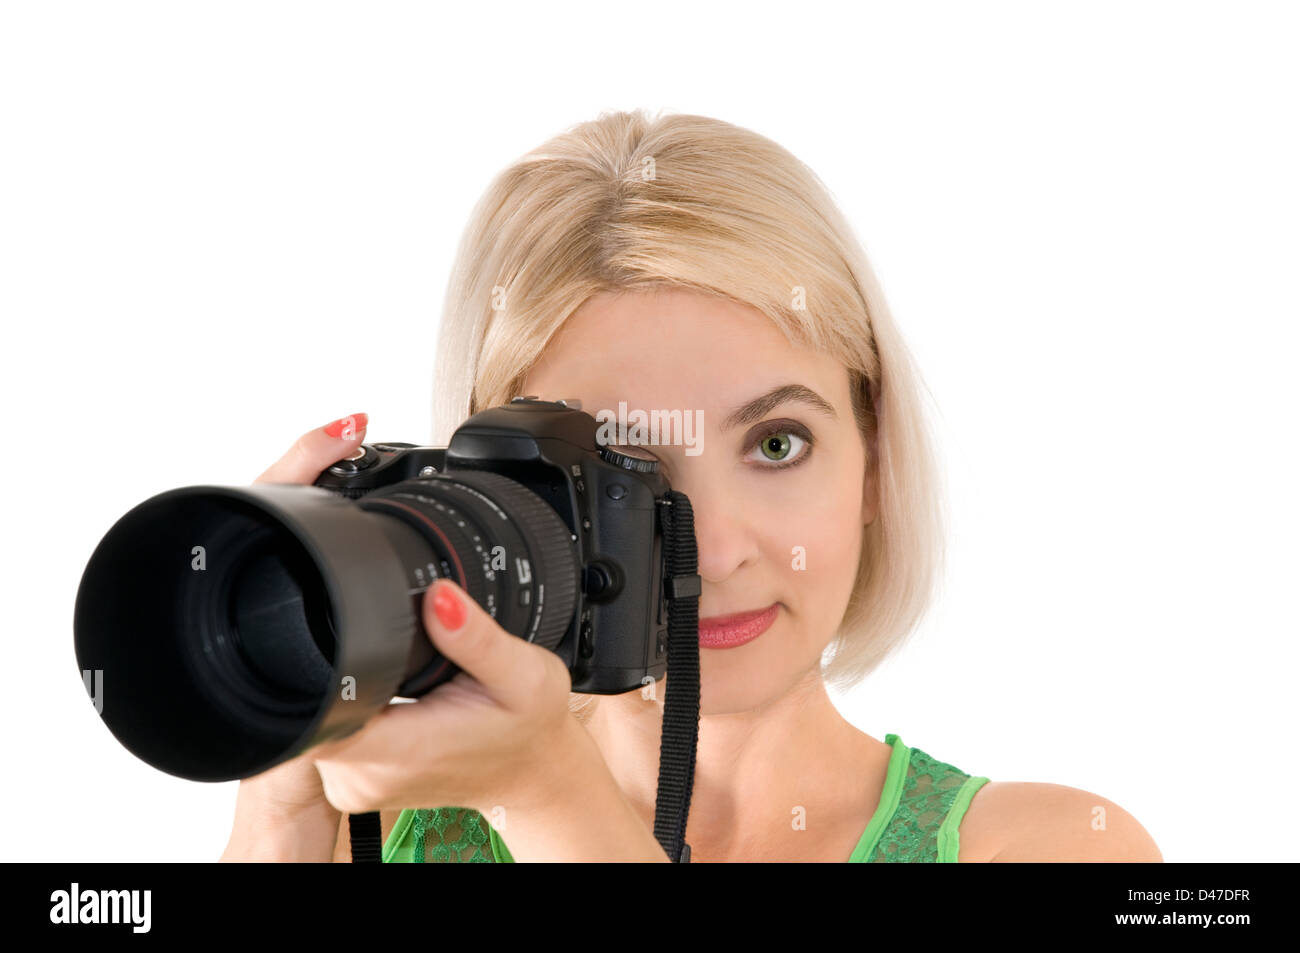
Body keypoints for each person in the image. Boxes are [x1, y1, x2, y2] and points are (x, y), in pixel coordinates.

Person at [221, 110, 1162, 863]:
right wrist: (277, 818)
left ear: (875, 458)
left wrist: (554, 796)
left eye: (778, 442)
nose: (710, 550)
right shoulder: (376, 839)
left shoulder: (1050, 849)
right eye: (627, 472)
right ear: (500, 491)